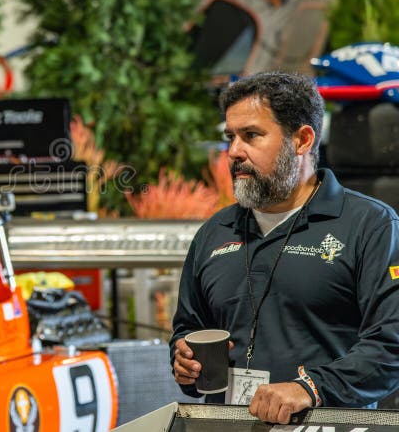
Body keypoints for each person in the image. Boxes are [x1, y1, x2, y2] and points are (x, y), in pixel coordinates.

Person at [170, 71, 399, 424]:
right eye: (230, 137)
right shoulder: (214, 233)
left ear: (302, 139)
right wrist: (183, 359)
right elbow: (187, 328)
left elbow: (390, 346)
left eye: (251, 136)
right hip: (226, 426)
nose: (234, 152)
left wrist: (310, 388)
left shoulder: (371, 226)